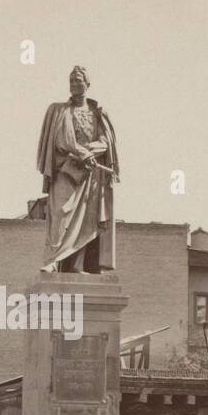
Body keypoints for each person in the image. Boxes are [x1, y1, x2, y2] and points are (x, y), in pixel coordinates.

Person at [36, 65, 120, 273]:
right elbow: (60, 140)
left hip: (90, 176)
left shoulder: (97, 112)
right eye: (71, 80)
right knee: (60, 214)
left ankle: (77, 265)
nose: (74, 84)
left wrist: (91, 150)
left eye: (78, 80)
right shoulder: (59, 111)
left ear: (87, 84)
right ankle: (52, 261)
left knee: (86, 221)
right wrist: (82, 153)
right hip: (67, 169)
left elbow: (105, 140)